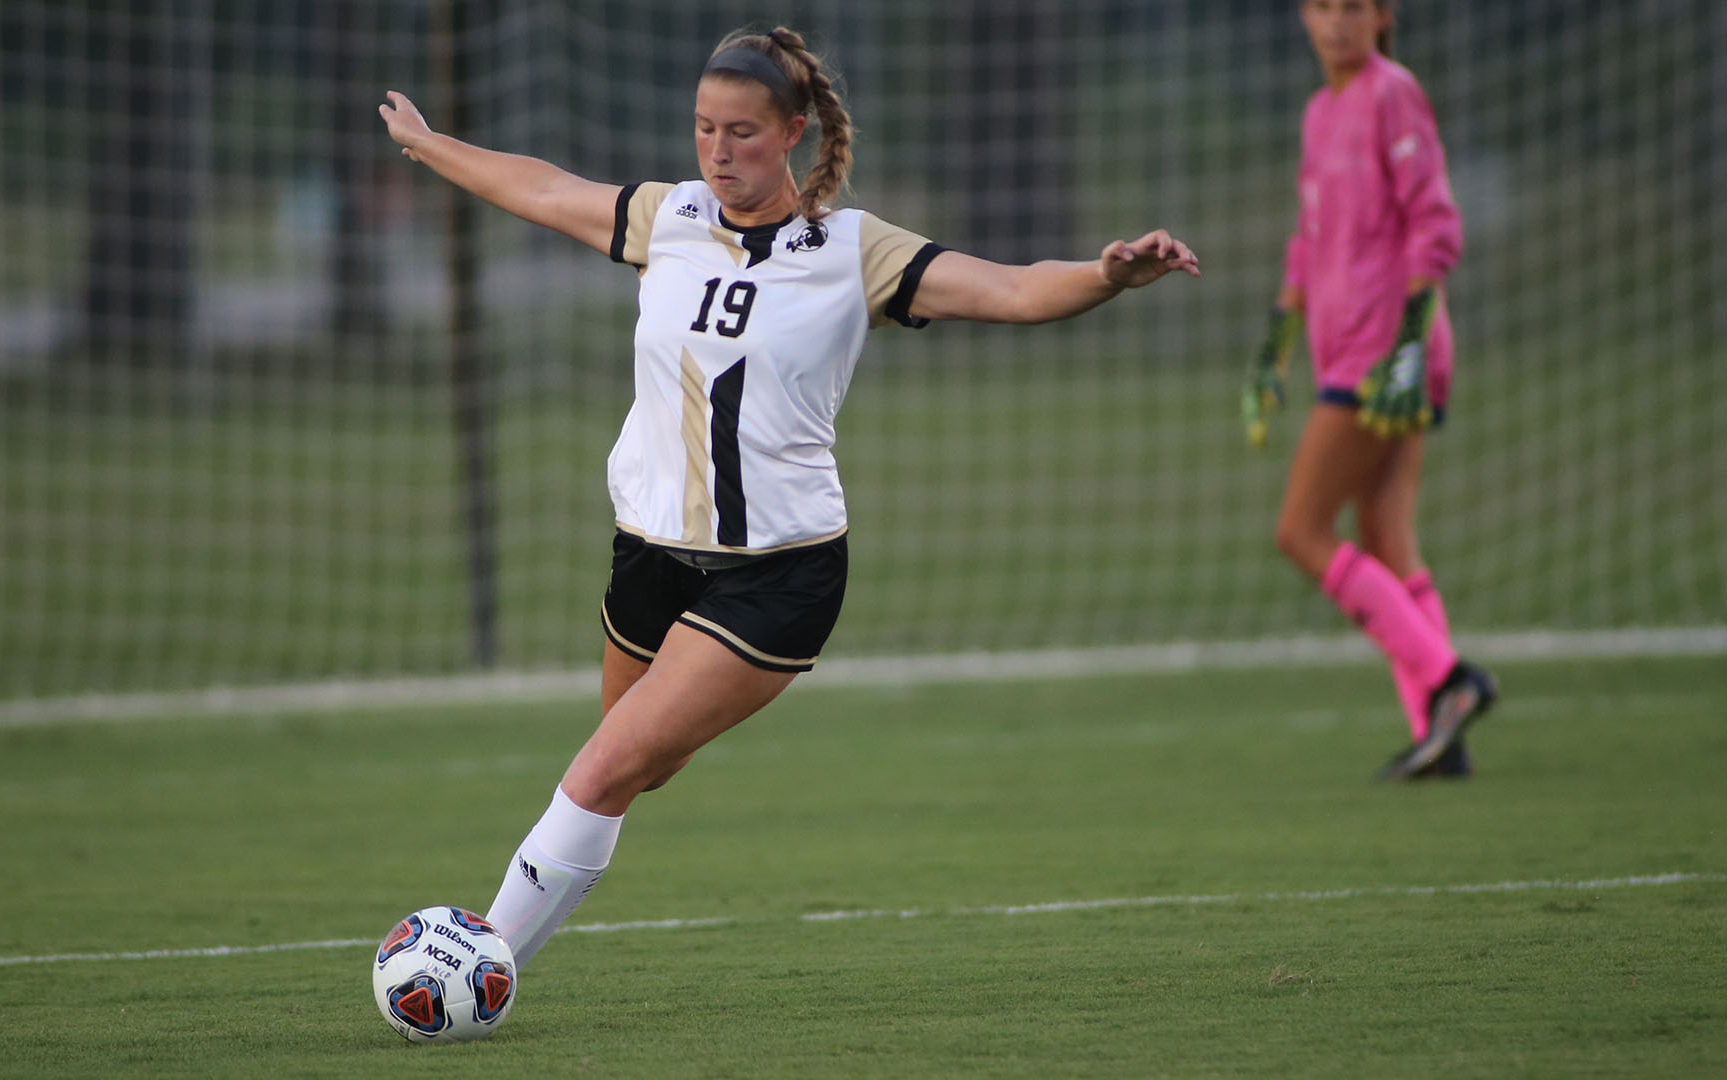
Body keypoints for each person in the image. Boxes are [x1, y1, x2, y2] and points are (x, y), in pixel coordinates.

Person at [379, 25, 1198, 969]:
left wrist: (1106, 275)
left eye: (742, 133)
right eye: (702, 130)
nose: (718, 154)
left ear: (796, 134)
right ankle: (494, 952)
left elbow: (1011, 290)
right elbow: (546, 187)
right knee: (636, 765)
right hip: (648, 550)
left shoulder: (853, 251)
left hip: (778, 574)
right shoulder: (669, 217)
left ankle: (477, 966)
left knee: (604, 768)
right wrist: (430, 144)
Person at [1242, 0, 1495, 780]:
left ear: (1383, 16)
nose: (1336, 22)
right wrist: (1274, 350)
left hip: (1385, 355)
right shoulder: (1322, 111)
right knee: (1386, 538)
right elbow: (1309, 240)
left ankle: (1451, 683)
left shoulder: (1393, 93)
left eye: (1353, 6)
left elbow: (1434, 221)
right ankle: (1438, 736)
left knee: (1301, 531)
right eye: (1322, 6)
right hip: (1347, 350)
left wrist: (1412, 341)